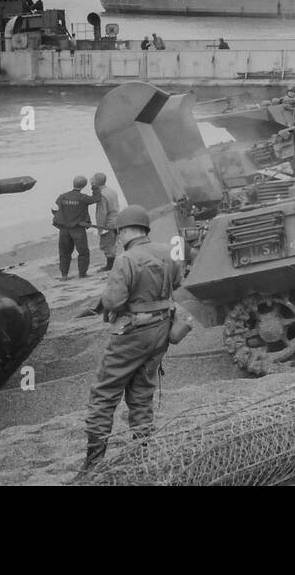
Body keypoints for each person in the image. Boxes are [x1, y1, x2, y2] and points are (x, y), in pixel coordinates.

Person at [82, 205, 183, 471]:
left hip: (131, 334)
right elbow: (178, 281)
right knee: (141, 393)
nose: (118, 237)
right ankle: (142, 454)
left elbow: (114, 301)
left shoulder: (125, 259)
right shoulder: (167, 252)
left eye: (119, 233)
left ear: (125, 231)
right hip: (162, 330)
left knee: (104, 394)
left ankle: (93, 465)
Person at [53, 175, 101, 280]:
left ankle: (64, 275)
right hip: (78, 229)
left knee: (64, 252)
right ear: (83, 186)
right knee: (83, 252)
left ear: (73, 183)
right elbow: (97, 199)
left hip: (64, 229)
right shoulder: (83, 198)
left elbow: (56, 208)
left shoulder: (62, 196)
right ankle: (82, 274)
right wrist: (94, 186)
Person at [91, 172, 123, 273]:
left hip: (108, 223)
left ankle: (110, 266)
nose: (91, 182)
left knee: (107, 245)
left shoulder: (101, 195)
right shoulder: (112, 191)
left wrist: (100, 228)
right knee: (113, 243)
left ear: (96, 182)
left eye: (92, 180)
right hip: (117, 220)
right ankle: (112, 264)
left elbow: (102, 213)